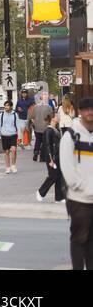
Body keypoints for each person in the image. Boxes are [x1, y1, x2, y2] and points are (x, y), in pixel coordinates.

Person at [58, 96, 93, 269]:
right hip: (79, 199)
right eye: (86, 109)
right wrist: (82, 187)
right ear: (79, 112)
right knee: (80, 238)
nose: (90, 113)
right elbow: (67, 167)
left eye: (92, 109)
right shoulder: (70, 136)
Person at [38, 123, 66, 203]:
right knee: (53, 176)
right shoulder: (48, 130)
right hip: (52, 157)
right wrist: (50, 159)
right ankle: (41, 192)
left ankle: (59, 197)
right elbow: (47, 146)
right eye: (56, 116)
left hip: (57, 156)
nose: (58, 117)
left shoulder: (56, 129)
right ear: (52, 119)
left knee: (59, 176)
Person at [0, 100, 20, 174]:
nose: (5, 107)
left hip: (13, 134)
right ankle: (7, 167)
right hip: (4, 135)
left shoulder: (15, 115)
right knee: (6, 152)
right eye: (5, 105)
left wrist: (20, 137)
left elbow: (18, 125)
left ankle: (13, 165)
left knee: (13, 150)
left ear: (11, 107)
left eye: (7, 105)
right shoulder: (1, 115)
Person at [30, 95, 55, 163]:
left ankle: (36, 151)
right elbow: (52, 116)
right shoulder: (49, 107)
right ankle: (42, 157)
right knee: (44, 142)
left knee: (37, 141)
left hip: (37, 126)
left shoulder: (36, 107)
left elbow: (32, 116)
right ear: (46, 99)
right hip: (45, 126)